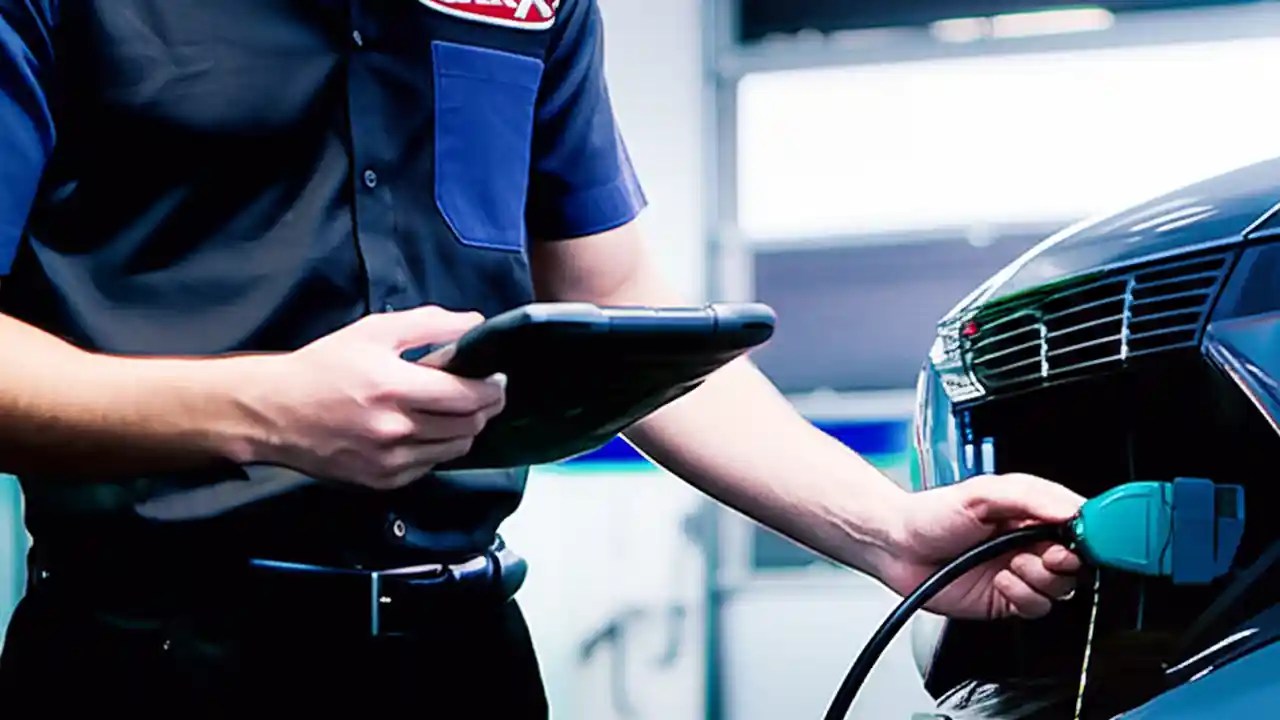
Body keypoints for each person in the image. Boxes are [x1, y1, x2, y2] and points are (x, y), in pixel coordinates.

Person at [0, 1, 1084, 716]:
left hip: (461, 657)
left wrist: (887, 530)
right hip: (143, 662)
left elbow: (610, 301)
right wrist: (264, 409)